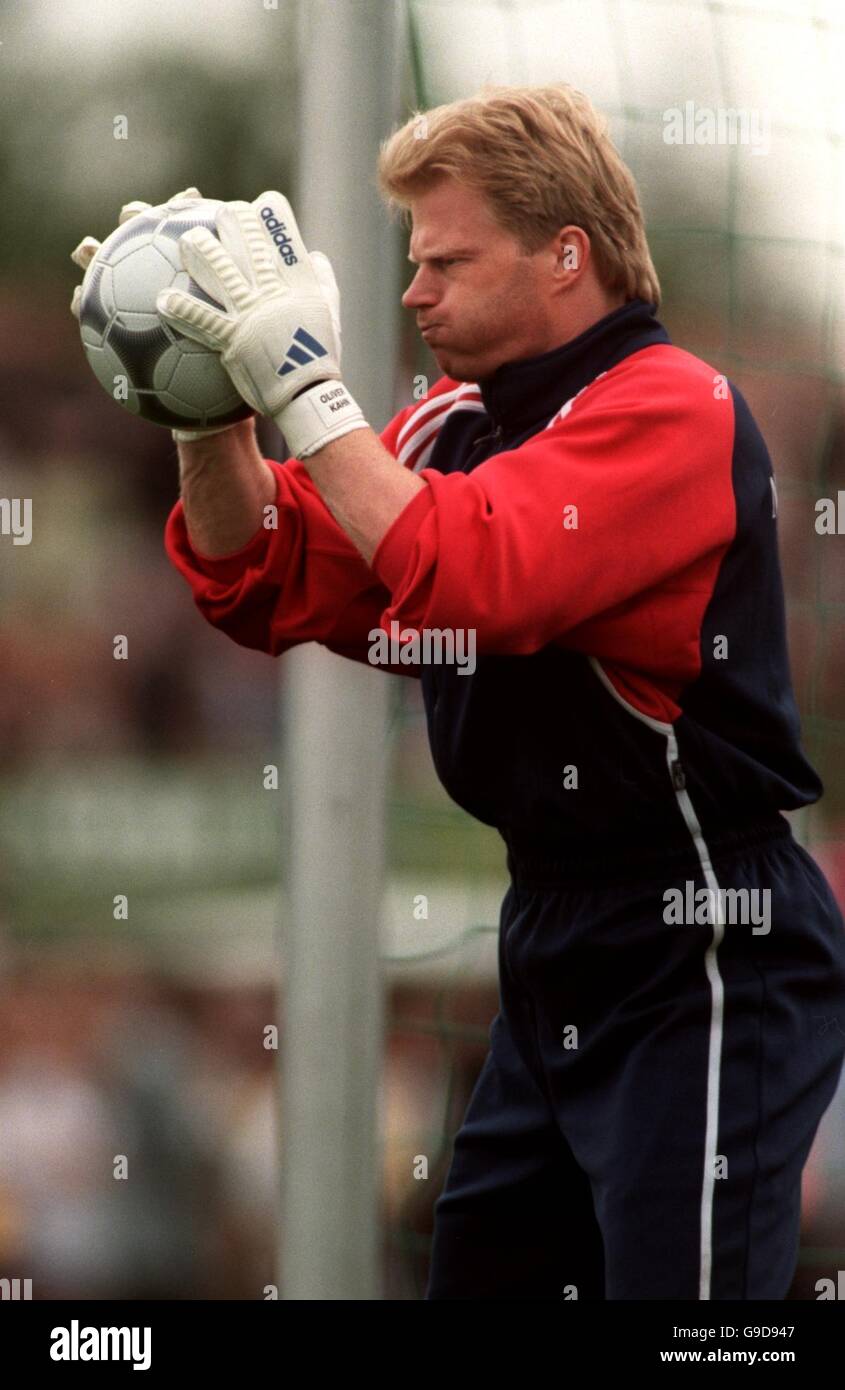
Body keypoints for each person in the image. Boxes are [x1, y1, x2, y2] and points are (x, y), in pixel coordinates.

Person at [70, 83, 845, 1300]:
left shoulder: (668, 405)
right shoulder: (452, 421)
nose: (411, 291)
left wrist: (308, 386)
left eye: (445, 261)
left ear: (563, 256)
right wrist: (206, 406)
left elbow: (473, 572)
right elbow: (255, 576)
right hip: (548, 939)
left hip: (703, 942)